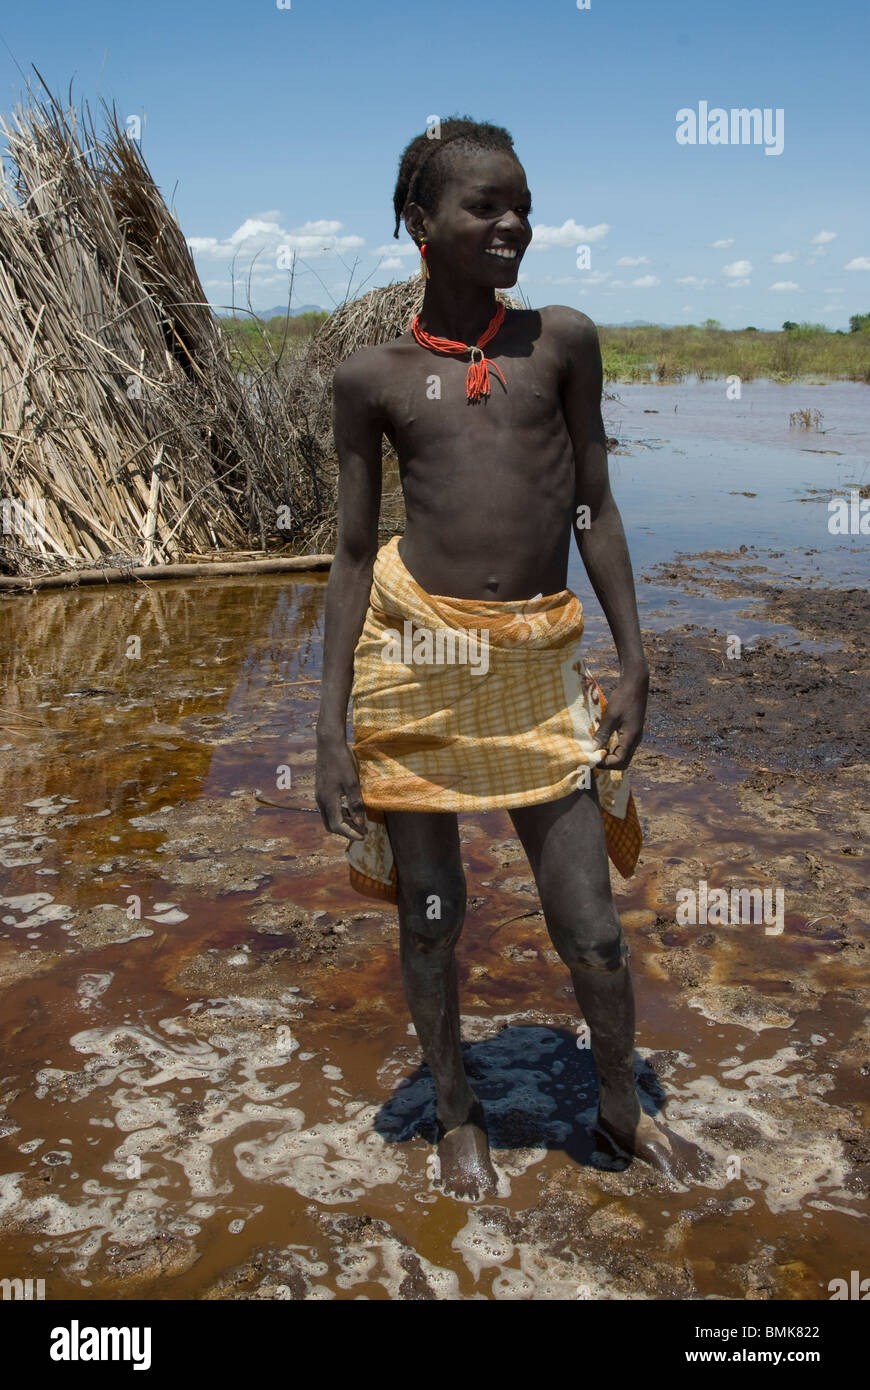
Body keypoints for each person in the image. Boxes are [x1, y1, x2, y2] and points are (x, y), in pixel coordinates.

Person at [316, 116, 703, 1200]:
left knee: (592, 930)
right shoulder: (372, 378)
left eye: (522, 204)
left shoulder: (562, 342)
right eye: (484, 205)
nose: (512, 224)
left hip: (536, 666)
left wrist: (635, 659)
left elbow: (596, 508)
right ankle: (453, 1111)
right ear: (420, 224)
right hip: (418, 663)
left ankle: (621, 1111)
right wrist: (328, 724)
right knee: (432, 916)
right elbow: (351, 555)